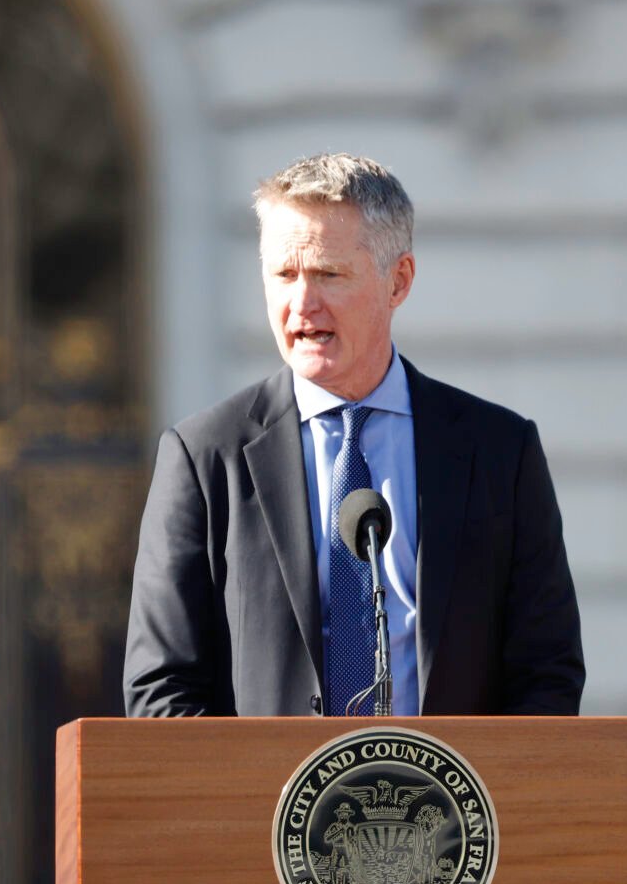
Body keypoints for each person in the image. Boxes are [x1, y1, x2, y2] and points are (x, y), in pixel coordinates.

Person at [122, 153, 582, 717]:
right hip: (264, 804)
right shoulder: (203, 458)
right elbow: (160, 685)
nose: (301, 305)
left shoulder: (499, 453)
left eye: (328, 274)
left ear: (399, 281)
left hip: (450, 803)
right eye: (284, 276)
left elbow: (547, 672)